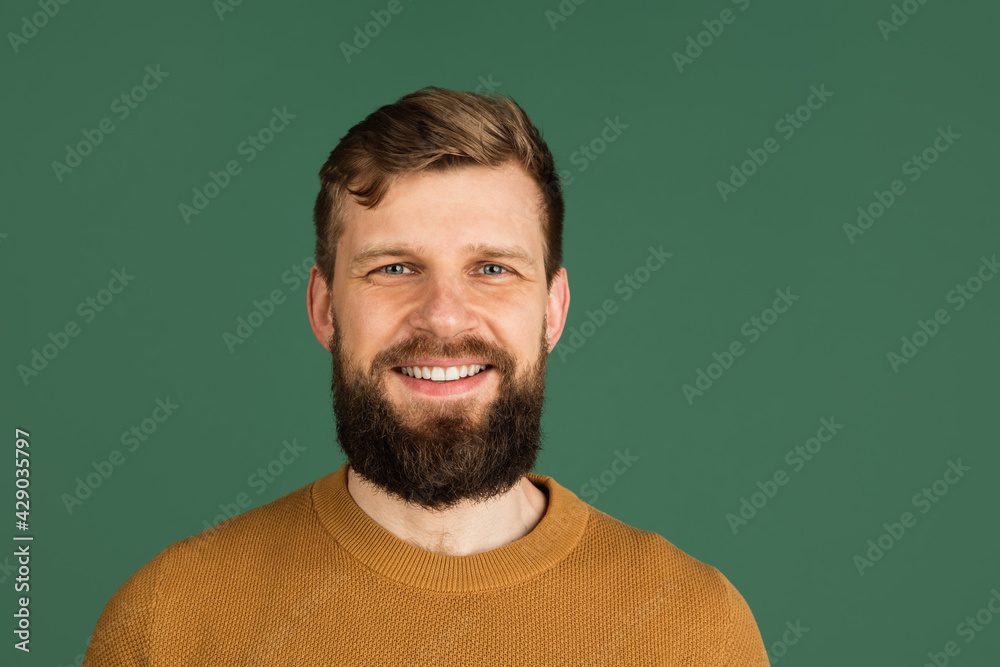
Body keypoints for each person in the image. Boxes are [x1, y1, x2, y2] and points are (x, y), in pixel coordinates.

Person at [83, 86, 769, 666]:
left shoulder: (696, 630)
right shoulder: (167, 622)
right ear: (325, 308)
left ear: (553, 310)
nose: (443, 318)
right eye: (394, 268)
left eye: (493, 269)